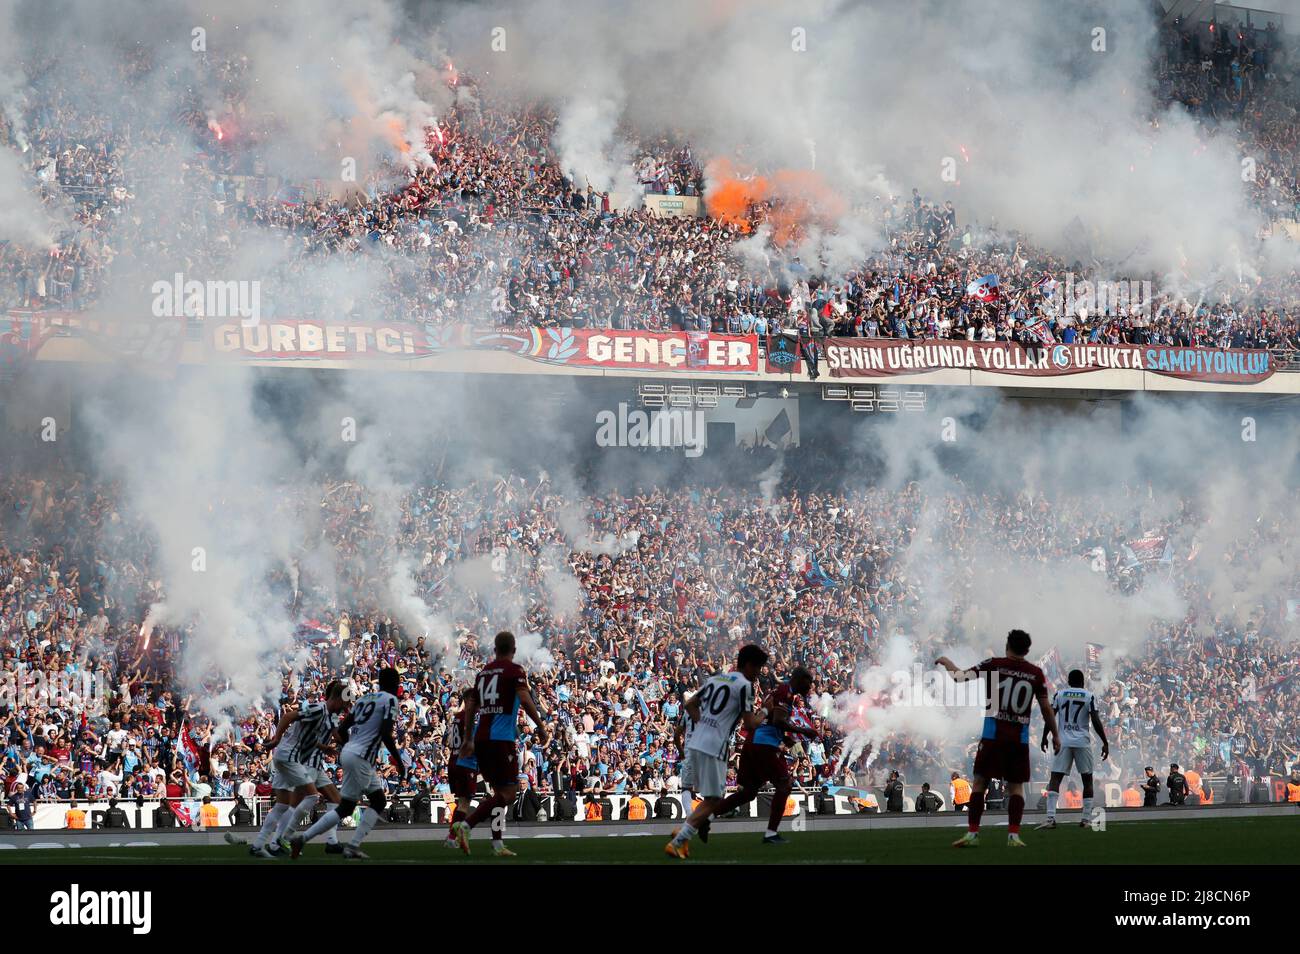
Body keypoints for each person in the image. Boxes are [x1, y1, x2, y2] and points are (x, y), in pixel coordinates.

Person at [936, 628, 1060, 848]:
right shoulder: (1035, 673)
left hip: (992, 736)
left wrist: (947, 663)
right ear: (1027, 649)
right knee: (1016, 789)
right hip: (1018, 739)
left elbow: (959, 677)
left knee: (980, 783)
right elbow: (1046, 709)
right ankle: (1013, 836)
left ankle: (973, 833)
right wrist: (1055, 735)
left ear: (1007, 645)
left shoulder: (993, 664)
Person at [664, 644, 770, 859]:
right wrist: (766, 709)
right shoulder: (745, 687)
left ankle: (685, 831)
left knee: (712, 797)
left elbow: (690, 704)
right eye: (758, 668)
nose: (759, 673)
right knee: (714, 799)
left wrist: (702, 724)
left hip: (696, 742)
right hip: (715, 744)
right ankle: (679, 840)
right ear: (749, 665)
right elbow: (750, 724)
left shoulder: (715, 679)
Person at [451, 631, 549, 857]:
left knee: (498, 794)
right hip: (501, 739)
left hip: (481, 739)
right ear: (514, 650)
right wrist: (541, 727)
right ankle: (466, 826)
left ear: (495, 649)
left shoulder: (484, 673)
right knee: (509, 794)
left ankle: (497, 845)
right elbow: (525, 699)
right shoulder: (515, 671)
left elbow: (471, 706)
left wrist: (468, 739)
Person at [291, 668, 404, 860]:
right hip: (360, 757)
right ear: (394, 684)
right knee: (345, 807)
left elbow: (342, 729)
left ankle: (351, 845)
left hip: (354, 753)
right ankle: (303, 839)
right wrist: (399, 761)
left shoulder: (364, 699)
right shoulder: (391, 700)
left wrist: (351, 745)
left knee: (378, 801)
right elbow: (386, 733)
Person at [703, 665, 819, 845]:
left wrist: (787, 739)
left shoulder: (782, 692)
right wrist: (805, 731)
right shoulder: (785, 693)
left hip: (754, 743)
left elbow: (773, 721)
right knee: (784, 785)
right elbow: (778, 721)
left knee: (748, 792)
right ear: (799, 679)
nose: (810, 687)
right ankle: (771, 833)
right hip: (763, 745)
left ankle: (707, 817)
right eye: (808, 683)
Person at [239, 680, 349, 858]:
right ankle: (284, 838)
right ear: (336, 698)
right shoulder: (317, 709)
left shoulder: (330, 715)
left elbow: (324, 737)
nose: (345, 707)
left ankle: (262, 844)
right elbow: (288, 717)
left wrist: (326, 747)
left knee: (285, 804)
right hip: (298, 758)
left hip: (297, 757)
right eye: (344, 702)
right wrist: (276, 739)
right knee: (307, 798)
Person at [1036, 669, 1109, 830]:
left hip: (1063, 742)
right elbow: (1095, 720)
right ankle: (1086, 819)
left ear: (1068, 681)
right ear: (1082, 681)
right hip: (1082, 741)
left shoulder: (1060, 695)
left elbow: (1050, 715)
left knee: (1055, 779)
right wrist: (1104, 741)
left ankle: (1050, 818)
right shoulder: (1089, 696)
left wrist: (1044, 737)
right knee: (1087, 780)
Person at [443, 686, 480, 850]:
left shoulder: (456, 717)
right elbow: (470, 738)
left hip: (453, 758)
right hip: (465, 761)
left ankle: (452, 834)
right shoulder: (467, 717)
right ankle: (454, 836)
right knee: (465, 802)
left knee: (461, 802)